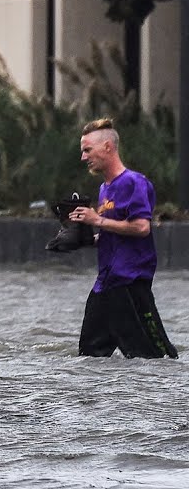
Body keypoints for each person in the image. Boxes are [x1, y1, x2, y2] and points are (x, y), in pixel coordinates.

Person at [68, 118, 177, 359]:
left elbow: (141, 228)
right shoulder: (104, 188)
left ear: (108, 147)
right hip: (105, 283)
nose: (83, 157)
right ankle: (101, 397)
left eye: (88, 150)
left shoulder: (134, 182)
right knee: (89, 356)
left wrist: (97, 220)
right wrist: (83, 238)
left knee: (154, 357)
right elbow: (112, 232)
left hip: (130, 281)